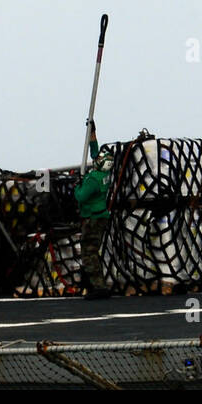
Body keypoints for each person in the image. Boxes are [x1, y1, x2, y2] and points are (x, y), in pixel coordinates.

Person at [74, 122, 113, 299]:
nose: (96, 159)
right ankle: (91, 282)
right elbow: (94, 151)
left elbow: (81, 196)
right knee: (92, 249)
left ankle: (98, 286)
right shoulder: (104, 175)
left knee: (89, 251)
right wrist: (93, 133)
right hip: (101, 215)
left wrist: (77, 185)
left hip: (92, 218)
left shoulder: (93, 180)